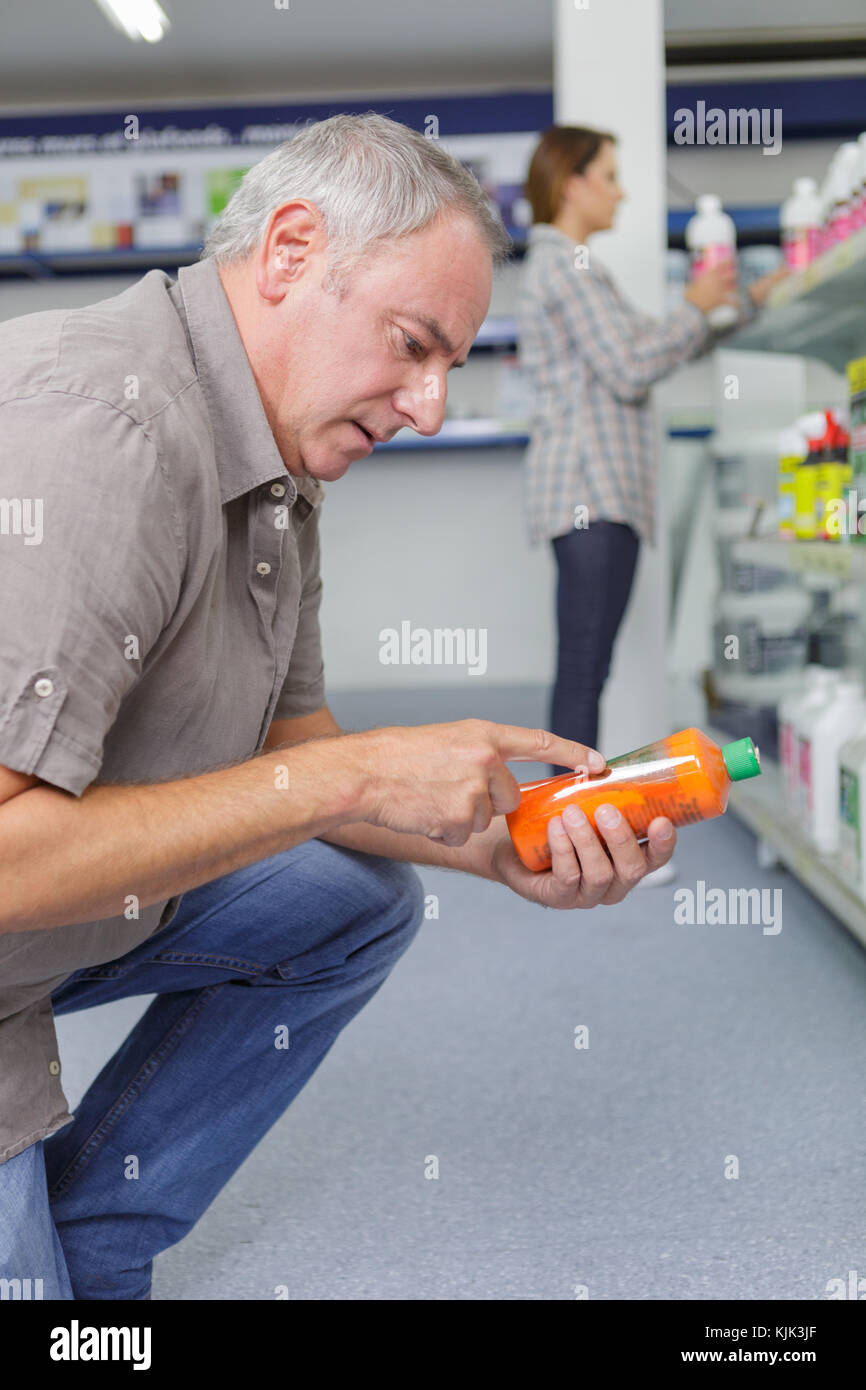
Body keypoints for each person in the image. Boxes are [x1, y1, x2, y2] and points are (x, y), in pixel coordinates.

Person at [0, 114, 678, 1302]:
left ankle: (90, 1239)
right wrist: (354, 777)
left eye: (449, 367)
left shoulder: (272, 468)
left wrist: (506, 847)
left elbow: (283, 745)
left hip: (40, 924)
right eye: (411, 345)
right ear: (291, 250)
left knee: (344, 900)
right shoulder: (100, 433)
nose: (424, 406)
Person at [517, 125, 786, 779]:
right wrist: (694, 306)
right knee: (584, 670)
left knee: (588, 666)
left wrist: (739, 303)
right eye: (608, 176)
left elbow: (655, 343)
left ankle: (569, 824)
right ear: (572, 183)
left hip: (602, 497)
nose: (621, 191)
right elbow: (633, 365)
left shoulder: (577, 267)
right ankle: (565, 834)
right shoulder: (564, 265)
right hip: (592, 495)